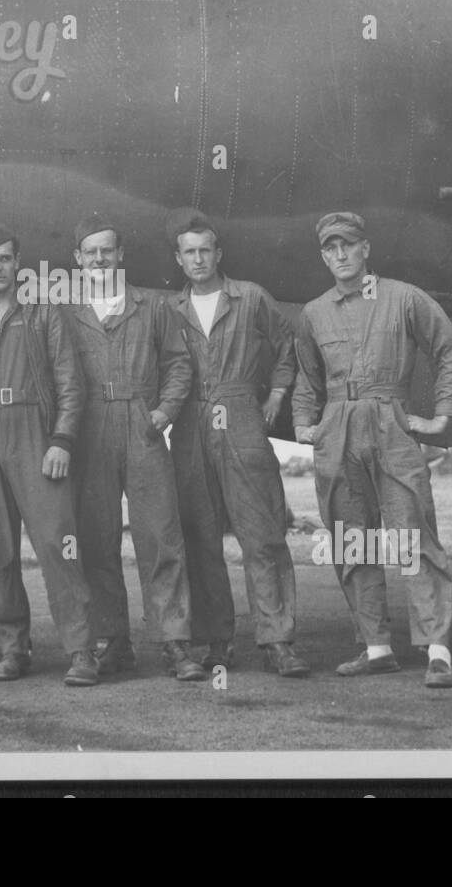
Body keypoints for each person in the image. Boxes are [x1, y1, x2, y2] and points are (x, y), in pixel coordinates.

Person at [292, 212, 452, 688]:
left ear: (365, 248)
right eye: (331, 248)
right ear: (323, 255)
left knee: (413, 537)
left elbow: (450, 351)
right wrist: (304, 424)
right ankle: (376, 649)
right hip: (337, 432)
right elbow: (307, 377)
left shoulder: (404, 298)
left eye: (348, 244)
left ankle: (437, 651)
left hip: (391, 424)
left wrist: (441, 417)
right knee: (352, 538)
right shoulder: (314, 312)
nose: (341, 254)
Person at [0, 224, 99, 687]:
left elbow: (71, 382)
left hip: (33, 429)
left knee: (57, 543)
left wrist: (62, 440)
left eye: (5, 259)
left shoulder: (43, 313)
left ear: (17, 262)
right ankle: (13, 648)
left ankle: (81, 650)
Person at [63, 214, 205, 682]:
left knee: (160, 535)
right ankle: (113, 642)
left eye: (107, 250)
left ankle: (175, 643)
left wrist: (163, 412)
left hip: (142, 426)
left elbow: (179, 365)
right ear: (78, 260)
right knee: (96, 538)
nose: (100, 258)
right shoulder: (66, 311)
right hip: (90, 431)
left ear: (120, 255)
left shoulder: (153, 307)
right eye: (91, 252)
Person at [167, 209, 309, 678]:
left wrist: (276, 393)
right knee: (200, 536)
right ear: (179, 259)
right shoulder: (171, 310)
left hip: (242, 413)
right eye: (190, 252)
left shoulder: (249, 298)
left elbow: (289, 342)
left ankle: (278, 641)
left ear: (218, 253)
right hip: (190, 422)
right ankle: (216, 641)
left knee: (262, 532)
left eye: (206, 249)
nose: (199, 258)